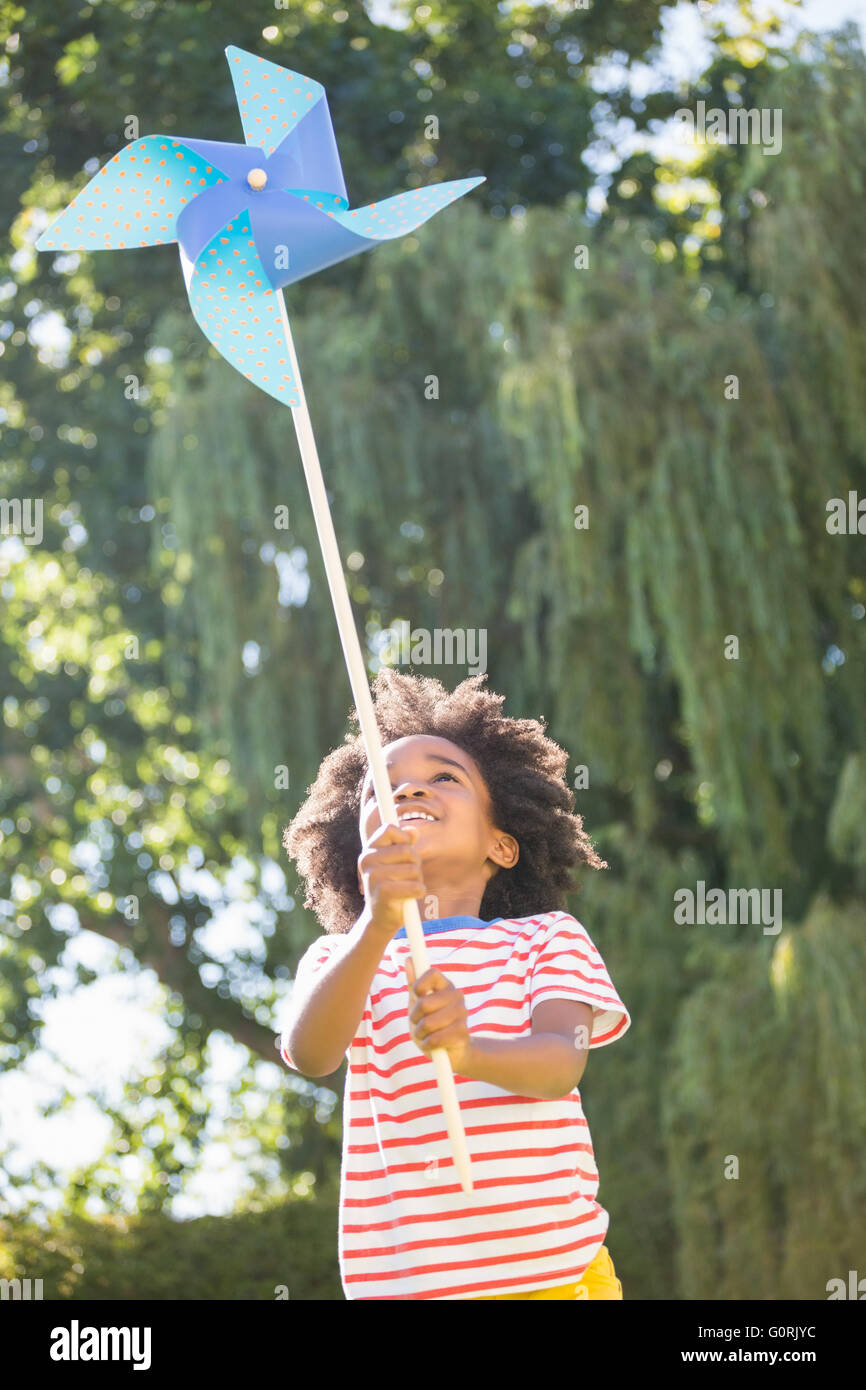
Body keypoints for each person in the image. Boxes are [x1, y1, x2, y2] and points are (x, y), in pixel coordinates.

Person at [279, 668, 630, 1300]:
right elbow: (311, 1053)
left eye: (444, 776)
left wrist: (469, 1052)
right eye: (380, 789)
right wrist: (378, 925)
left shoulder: (546, 938)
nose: (408, 789)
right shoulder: (343, 956)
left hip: (557, 1276)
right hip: (410, 1289)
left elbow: (560, 1063)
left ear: (502, 844)